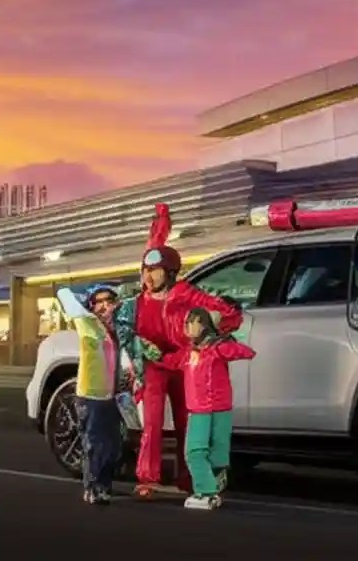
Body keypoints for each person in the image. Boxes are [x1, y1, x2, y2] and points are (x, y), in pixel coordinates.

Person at [119, 203, 244, 498]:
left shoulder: (186, 294)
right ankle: (147, 477)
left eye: (154, 270)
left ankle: (190, 477)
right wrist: (140, 349)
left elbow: (229, 316)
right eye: (145, 270)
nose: (147, 276)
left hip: (183, 363)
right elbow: (125, 331)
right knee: (151, 421)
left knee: (188, 420)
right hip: (152, 364)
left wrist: (210, 330)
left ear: (170, 272)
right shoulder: (137, 303)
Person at [150, 307, 256, 510]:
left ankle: (209, 489)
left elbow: (246, 352)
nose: (188, 326)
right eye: (187, 322)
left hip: (216, 409)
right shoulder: (188, 353)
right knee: (200, 451)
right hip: (201, 409)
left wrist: (226, 341)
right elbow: (167, 361)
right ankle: (208, 488)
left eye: (194, 321)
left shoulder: (218, 348)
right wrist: (151, 353)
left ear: (205, 325)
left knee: (208, 452)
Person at [67, 284, 125, 505]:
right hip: (90, 396)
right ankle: (92, 487)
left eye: (109, 301)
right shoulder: (87, 323)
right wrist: (84, 306)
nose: (104, 306)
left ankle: (104, 486)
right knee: (94, 445)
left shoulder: (117, 331)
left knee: (114, 446)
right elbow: (64, 293)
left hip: (112, 396)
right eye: (99, 302)